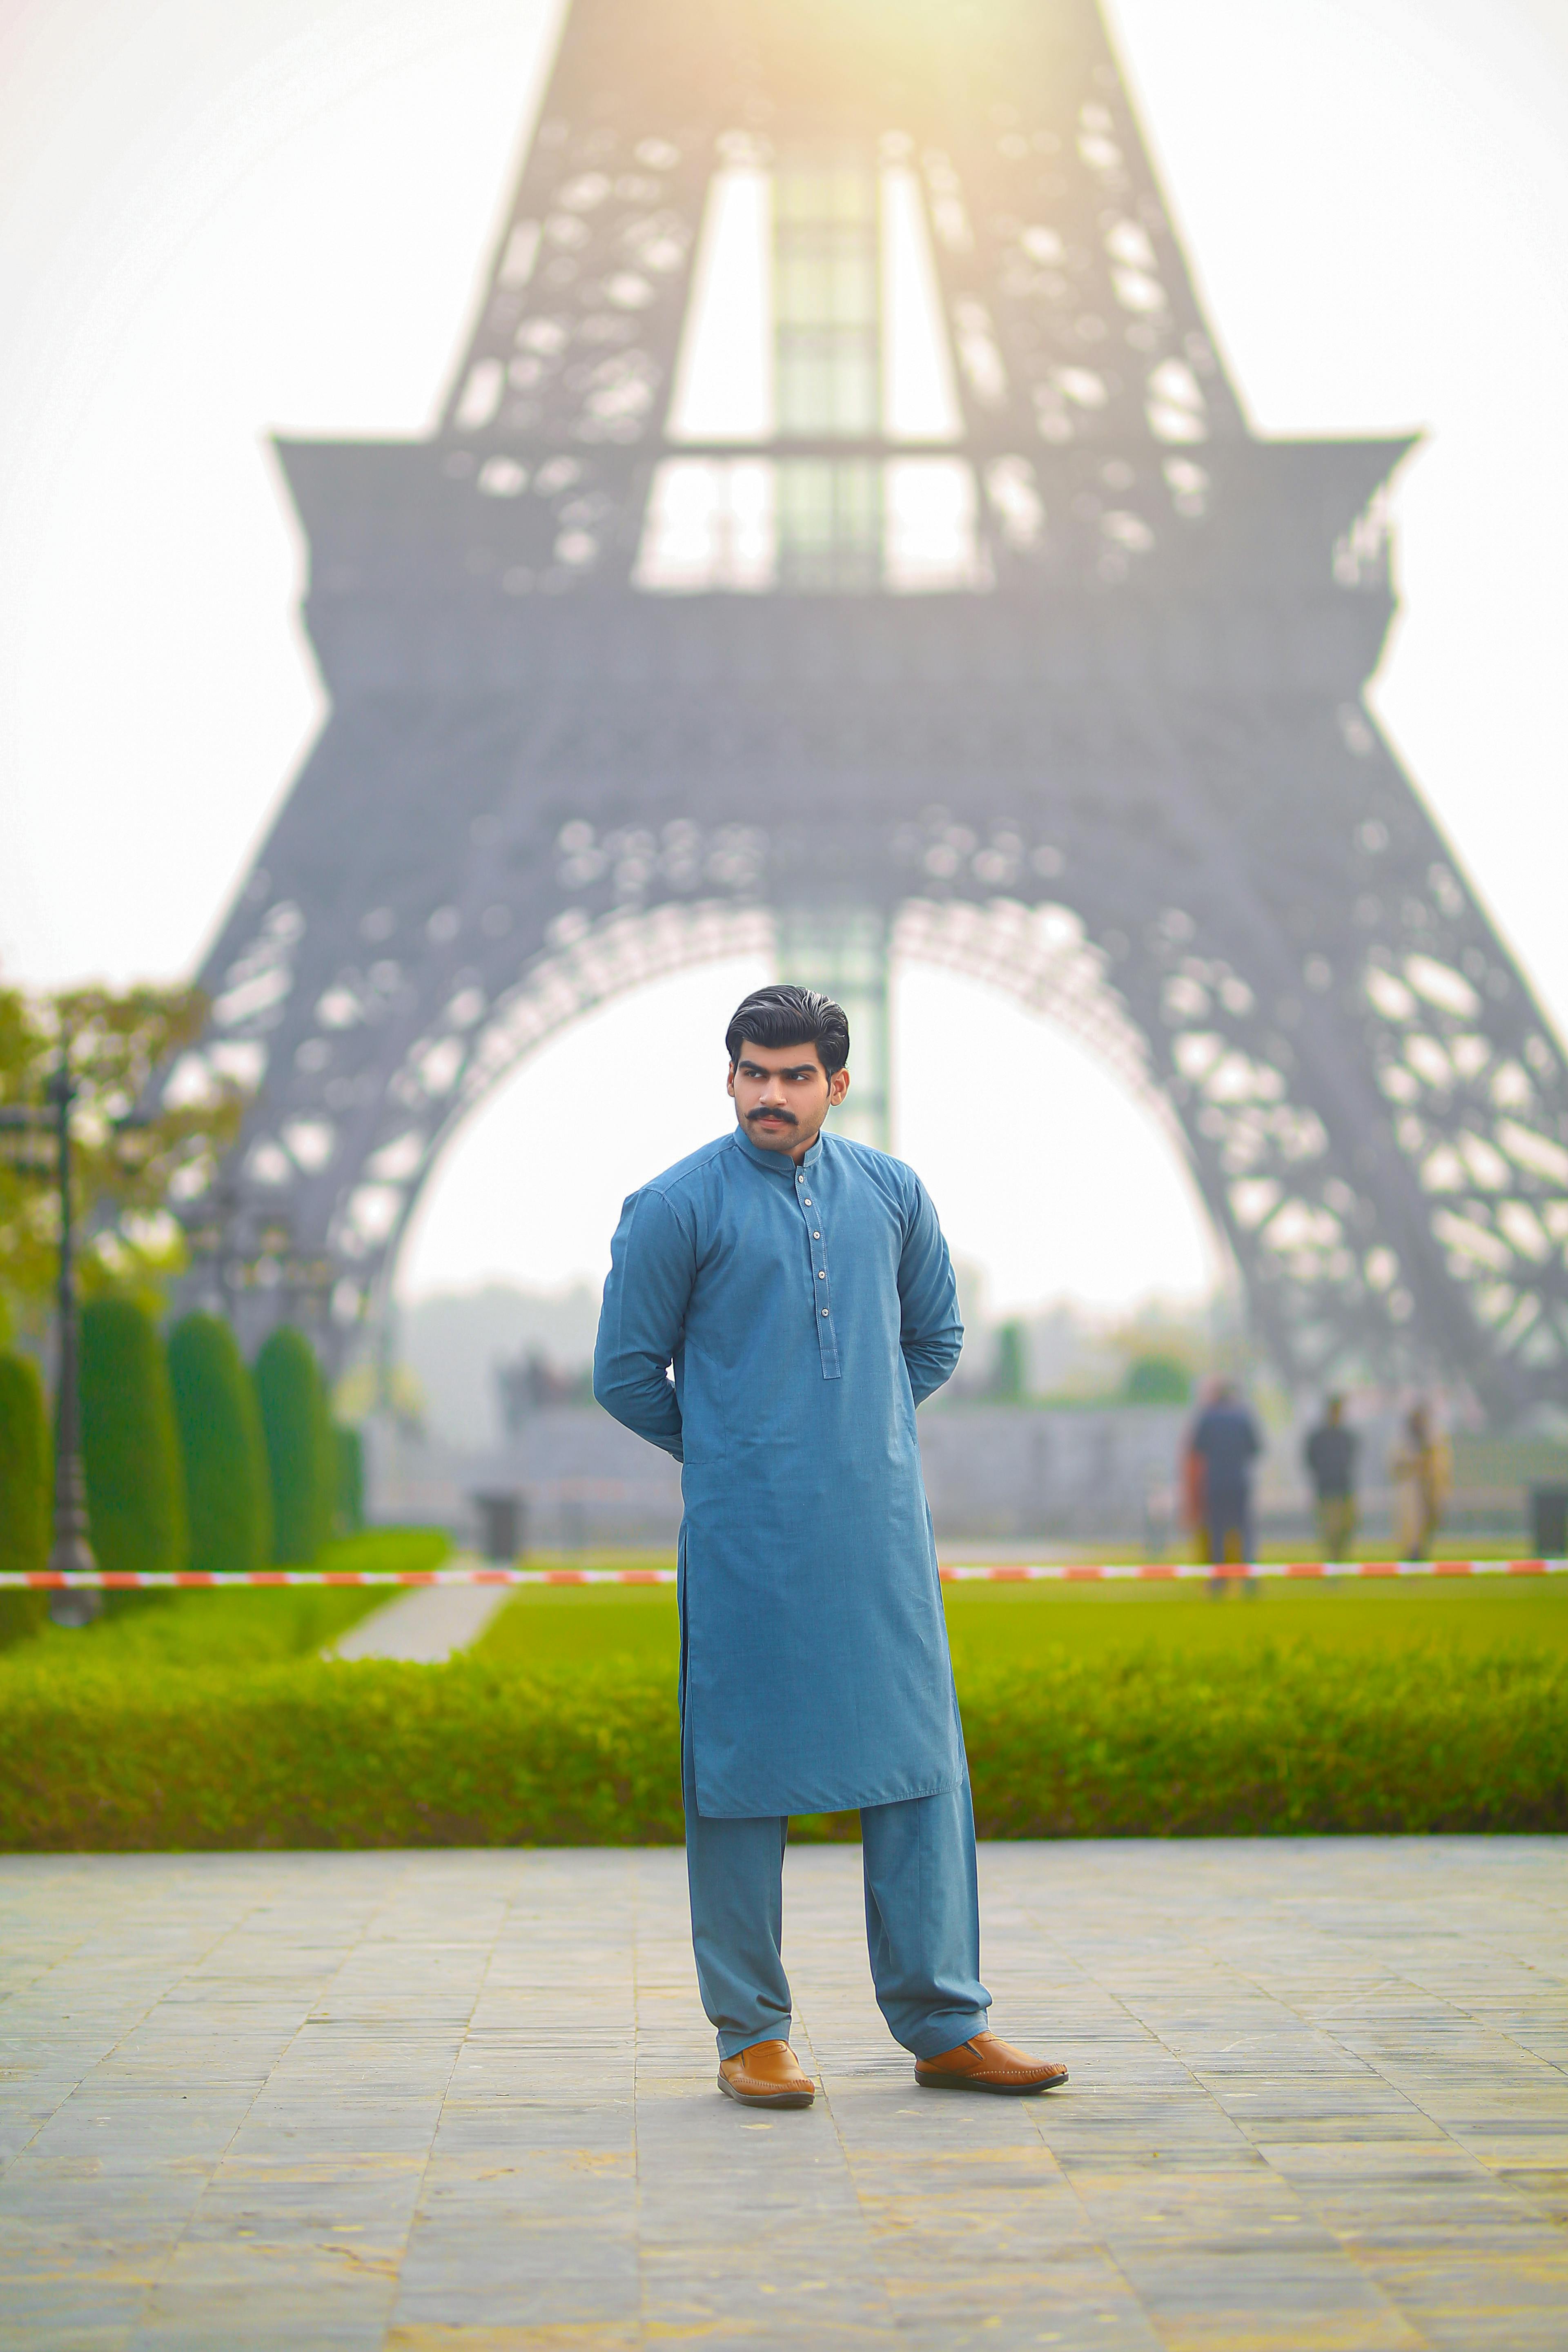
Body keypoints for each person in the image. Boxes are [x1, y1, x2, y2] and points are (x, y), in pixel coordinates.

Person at [594, 984, 1068, 2110]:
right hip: (748, 1537)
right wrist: (740, 1450)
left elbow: (936, 1336)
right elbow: (623, 1374)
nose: (771, 1093)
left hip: (880, 1537)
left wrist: (857, 1434)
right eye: (752, 1073)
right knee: (742, 1779)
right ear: (730, 1077)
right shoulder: (674, 1206)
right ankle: (752, 2032)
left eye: (794, 1074)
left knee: (919, 1769)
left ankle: (947, 2022)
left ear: (836, 1085)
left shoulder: (894, 1194)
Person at [1189, 1378, 1262, 1595]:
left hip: (1216, 1481)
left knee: (1217, 1531)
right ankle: (1249, 1578)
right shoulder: (1243, 1417)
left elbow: (1198, 1448)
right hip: (1239, 1480)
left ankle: (1219, 1581)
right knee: (1244, 1530)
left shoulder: (1208, 1418)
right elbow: (1256, 1448)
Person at [1391, 1400, 1451, 1561]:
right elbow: (1395, 1464)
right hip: (1411, 1490)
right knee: (1411, 1529)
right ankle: (1412, 1556)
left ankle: (1421, 1554)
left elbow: (1441, 1465)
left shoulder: (1434, 1438)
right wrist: (1414, 1463)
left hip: (1430, 1489)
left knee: (1429, 1525)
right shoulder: (1403, 1440)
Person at [1304, 1395, 1359, 1562]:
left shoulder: (1347, 1436)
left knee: (1346, 1527)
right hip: (1327, 1489)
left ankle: (1340, 1558)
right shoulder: (1319, 1437)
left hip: (1344, 1487)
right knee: (1330, 1530)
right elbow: (1310, 1459)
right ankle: (1332, 1561)